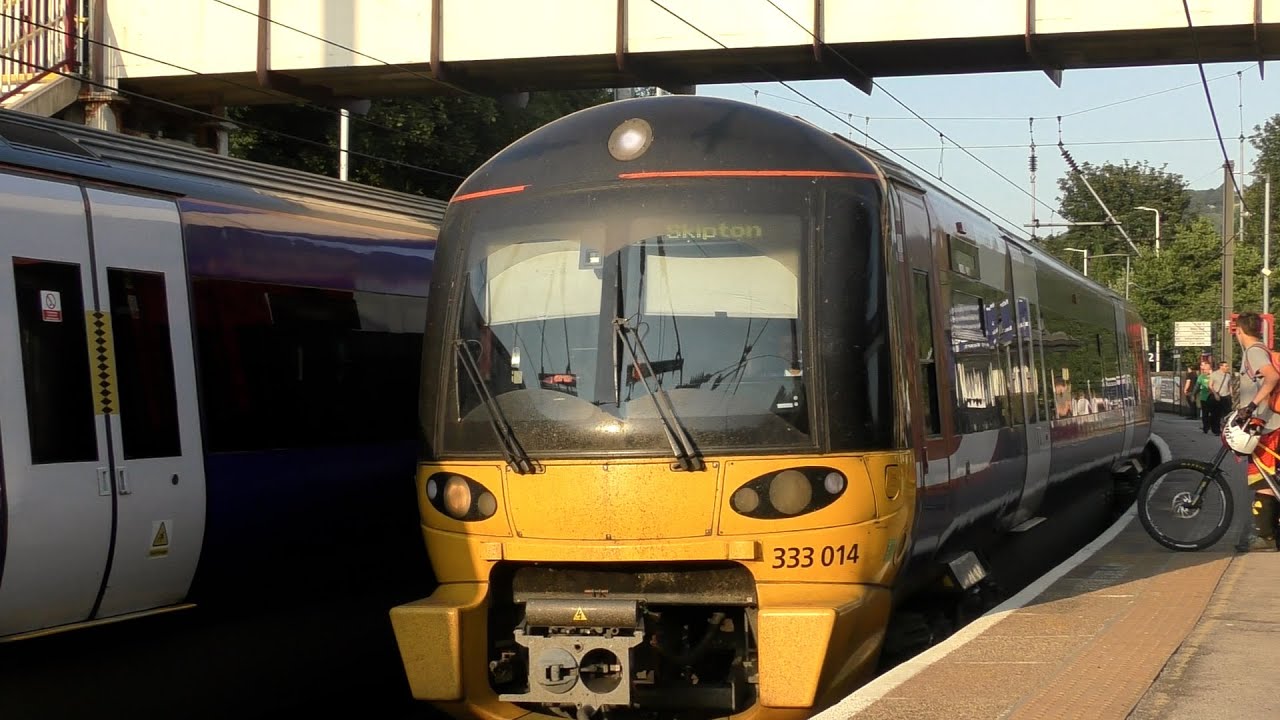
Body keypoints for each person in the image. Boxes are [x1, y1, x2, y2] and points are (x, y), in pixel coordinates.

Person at [1231, 312, 1280, 552]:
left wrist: (1250, 407)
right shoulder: (1262, 350)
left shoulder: (1254, 352)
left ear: (1239, 331)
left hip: (1271, 426)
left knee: (1263, 477)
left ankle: (1266, 536)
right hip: (1270, 423)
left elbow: (1272, 377)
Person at [1209, 360, 1234, 431]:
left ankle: (1225, 428)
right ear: (1221, 366)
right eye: (1225, 366)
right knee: (1216, 413)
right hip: (1217, 395)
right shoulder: (1214, 374)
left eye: (1227, 366)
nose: (1227, 367)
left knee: (1228, 413)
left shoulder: (1228, 375)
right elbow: (1210, 385)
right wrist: (1215, 394)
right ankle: (1215, 429)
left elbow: (1230, 386)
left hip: (1226, 395)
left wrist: (1231, 395)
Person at [1196, 360, 1214, 434]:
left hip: (1212, 397)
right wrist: (1193, 394)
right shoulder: (1201, 376)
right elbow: (1197, 385)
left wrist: (1211, 375)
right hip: (1204, 397)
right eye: (1204, 369)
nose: (1204, 370)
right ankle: (1205, 427)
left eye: (1206, 368)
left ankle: (1213, 427)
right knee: (1205, 413)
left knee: (1213, 413)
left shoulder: (1214, 375)